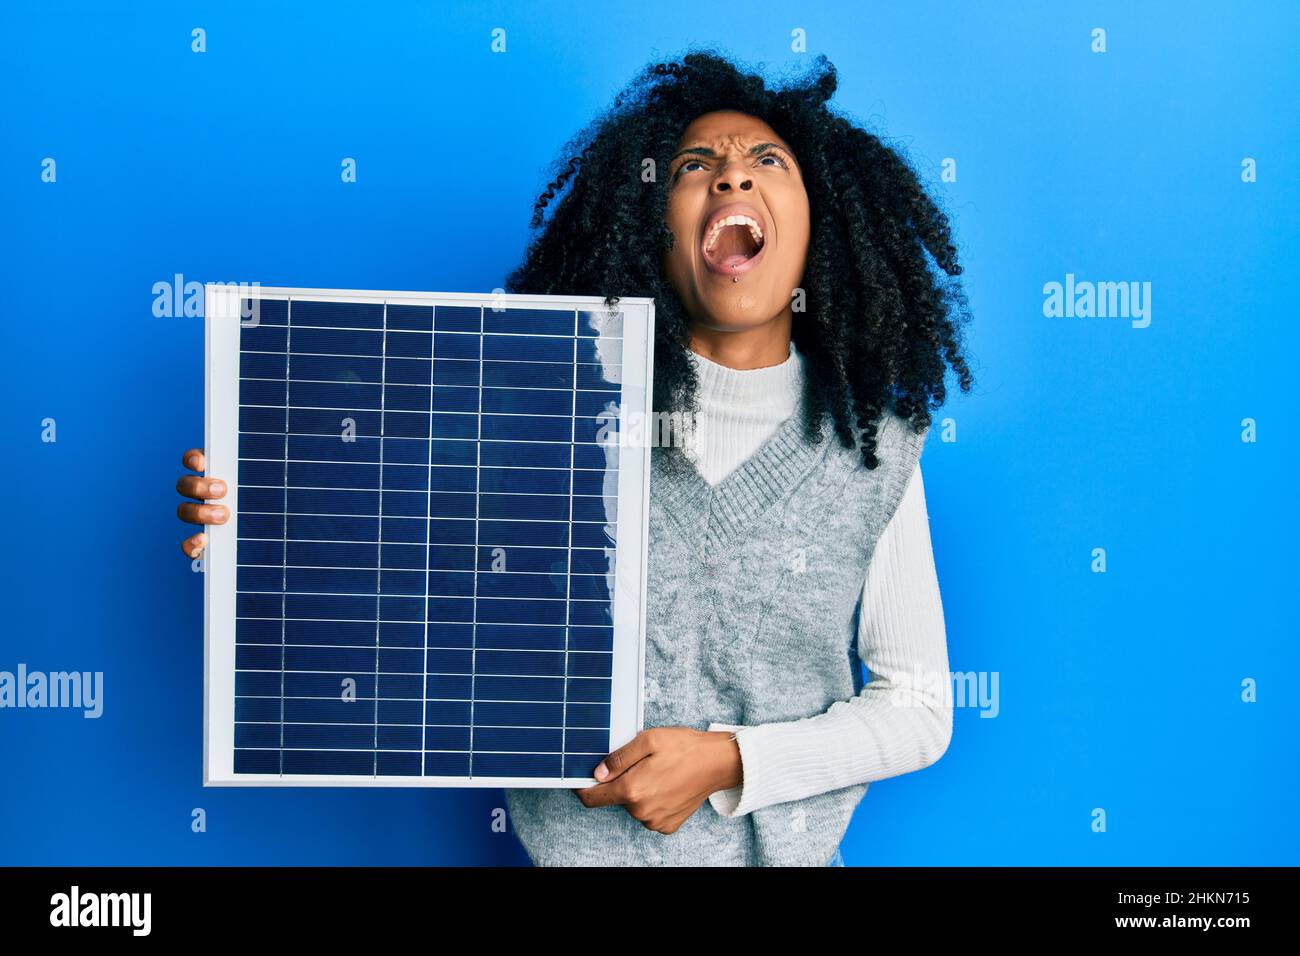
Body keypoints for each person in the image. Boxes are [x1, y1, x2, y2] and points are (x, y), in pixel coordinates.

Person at [176, 51, 975, 866]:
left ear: (823, 229)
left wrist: (726, 762)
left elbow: (916, 707)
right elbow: (403, 579)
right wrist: (264, 521)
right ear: (649, 230)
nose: (732, 179)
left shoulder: (875, 449)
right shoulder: (545, 416)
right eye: (694, 167)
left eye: (767, 162)